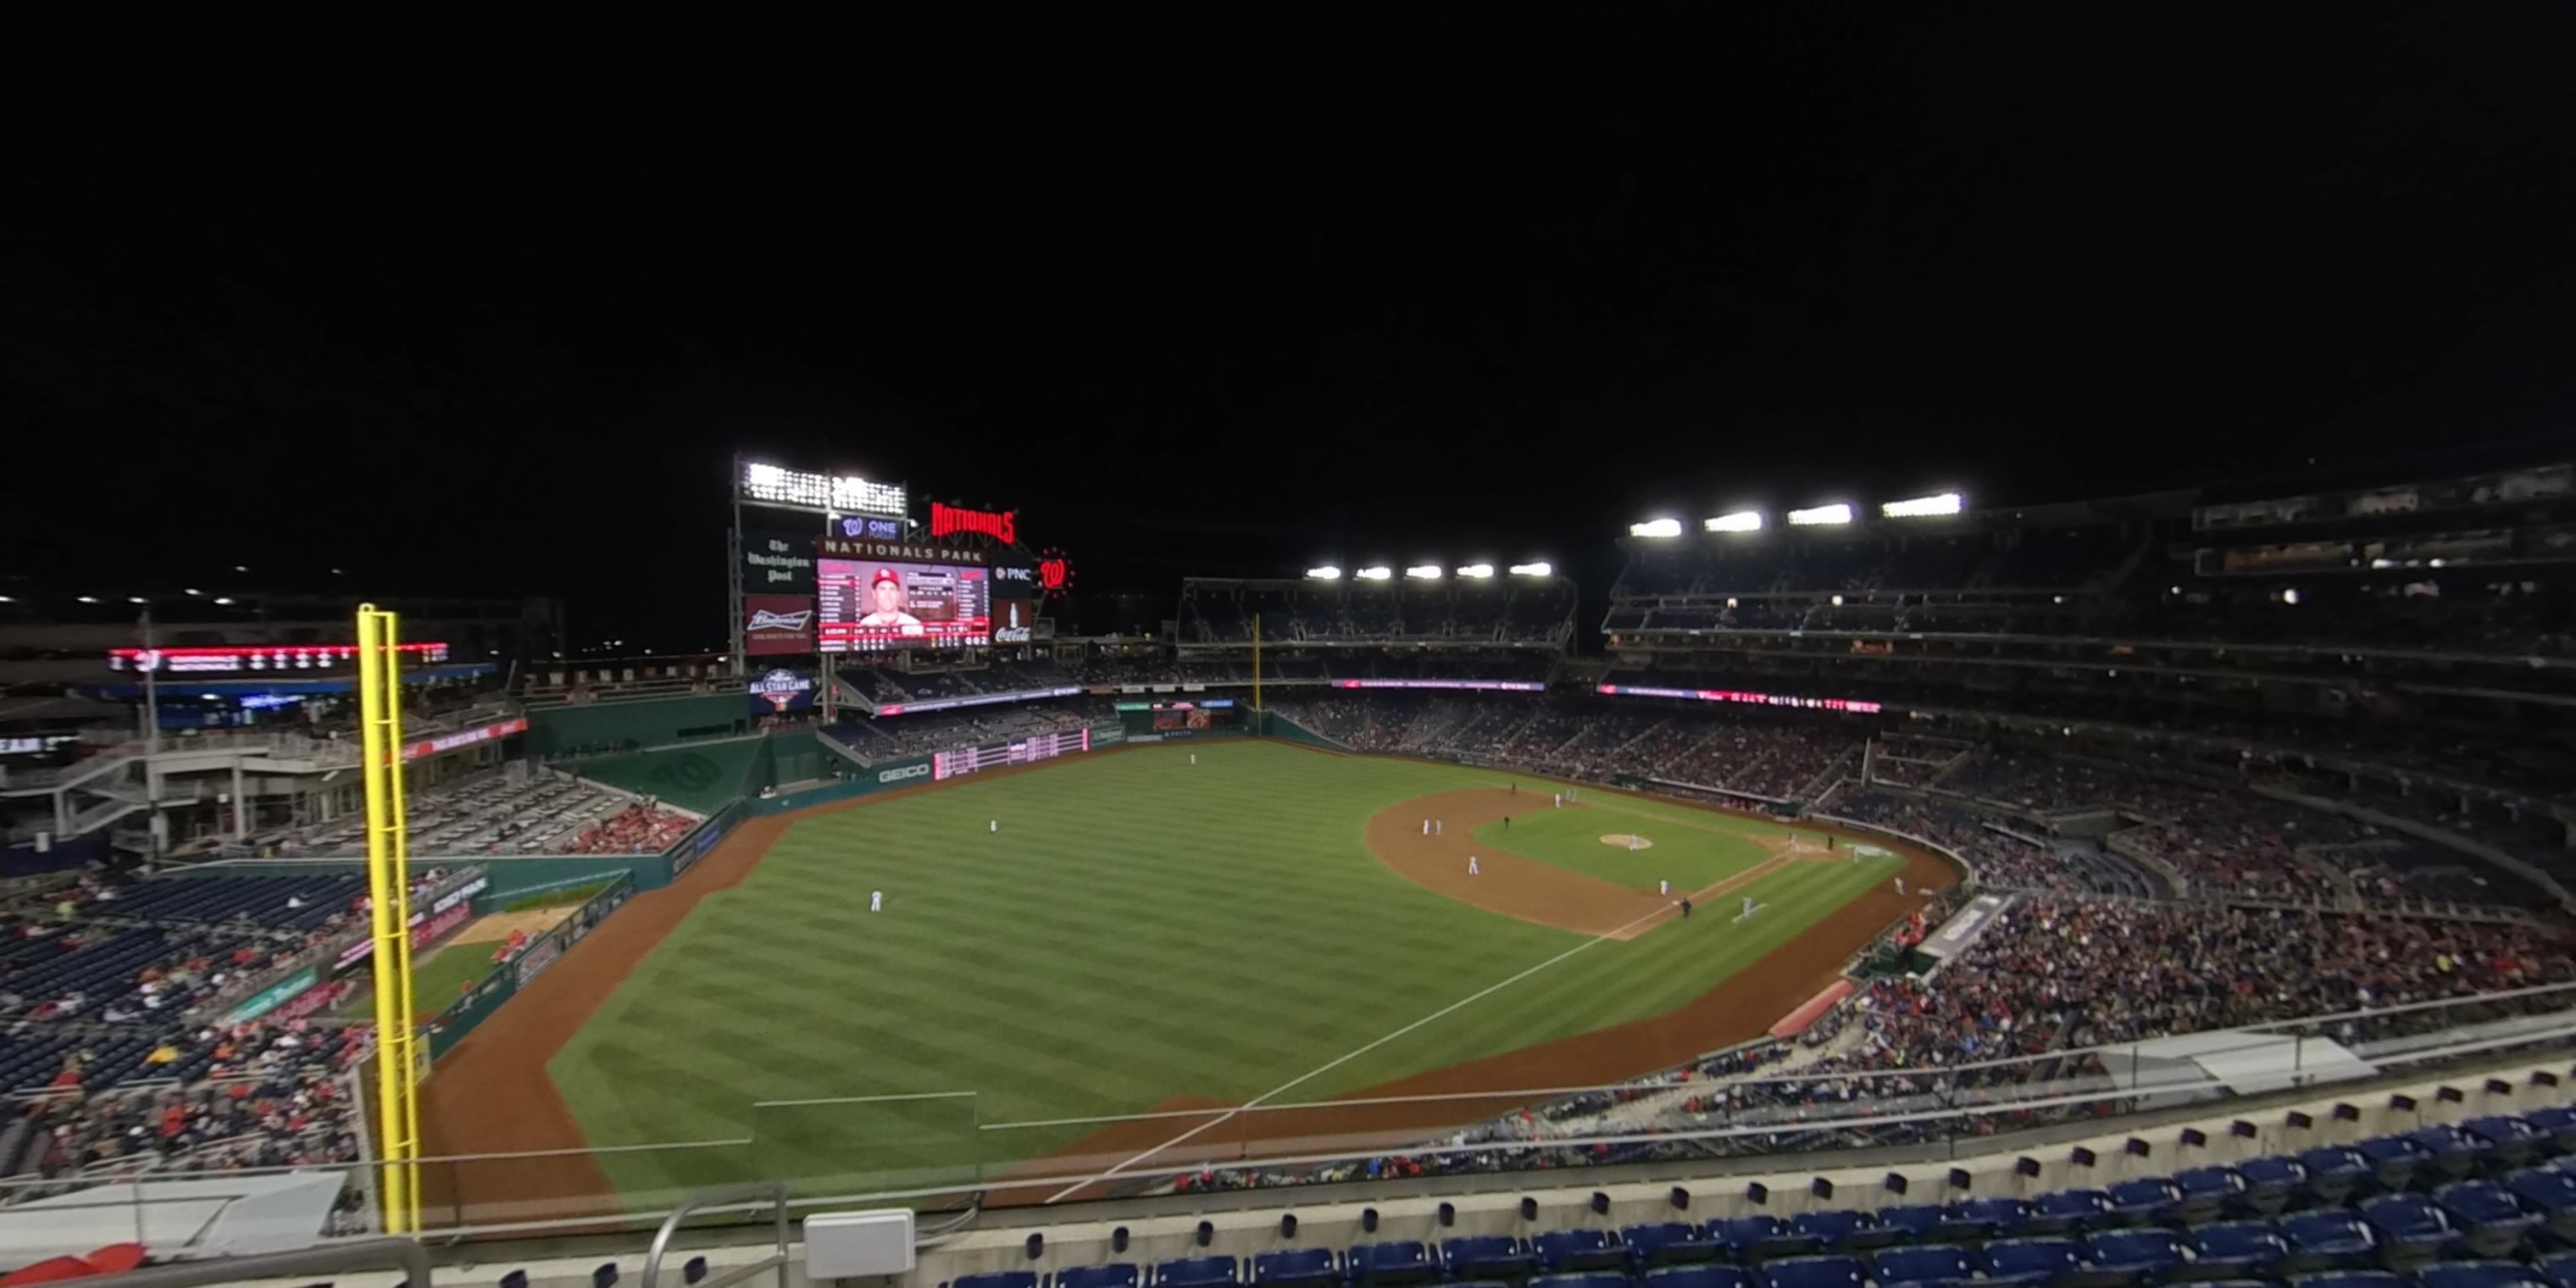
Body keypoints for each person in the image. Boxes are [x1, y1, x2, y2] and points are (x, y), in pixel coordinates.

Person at [857, 569, 927, 636]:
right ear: (874, 594)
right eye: (882, 589)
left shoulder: (914, 624)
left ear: (898, 594)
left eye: (892, 589)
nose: (888, 595)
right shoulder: (863, 626)